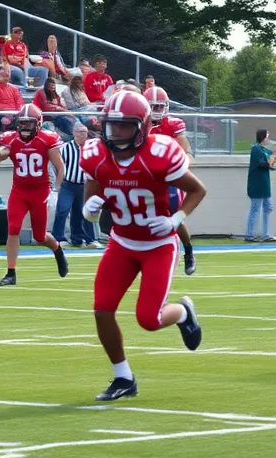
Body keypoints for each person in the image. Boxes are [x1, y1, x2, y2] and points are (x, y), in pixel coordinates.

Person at [79, 90, 207, 401]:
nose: (116, 132)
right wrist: (90, 210)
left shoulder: (161, 152)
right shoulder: (96, 153)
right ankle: (123, 377)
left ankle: (183, 313)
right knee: (102, 310)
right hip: (121, 243)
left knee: (148, 320)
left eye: (124, 125)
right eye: (112, 125)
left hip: (159, 244)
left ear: (143, 126)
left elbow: (197, 190)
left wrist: (175, 220)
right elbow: (89, 204)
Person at [0, 104, 69, 286]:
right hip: (19, 191)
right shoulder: (10, 138)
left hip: (40, 192)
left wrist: (56, 190)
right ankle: (11, 273)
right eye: (22, 123)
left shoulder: (47, 139)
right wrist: (1, 154)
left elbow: (60, 167)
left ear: (38, 124)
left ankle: (57, 249)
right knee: (13, 228)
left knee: (39, 237)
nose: (25, 128)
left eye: (29, 124)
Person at [145, 87, 196, 274]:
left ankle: (188, 250)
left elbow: (187, 152)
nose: (158, 110)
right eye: (154, 106)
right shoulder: (140, 124)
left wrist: (182, 166)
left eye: (160, 106)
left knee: (173, 215)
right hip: (145, 178)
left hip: (169, 178)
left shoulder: (173, 124)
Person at [51, 123, 97, 248]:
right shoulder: (65, 148)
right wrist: (58, 184)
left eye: (85, 132)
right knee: (62, 210)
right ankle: (58, 238)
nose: (83, 135)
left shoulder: (91, 148)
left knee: (84, 212)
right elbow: (57, 166)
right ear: (74, 133)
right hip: (68, 185)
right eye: (80, 132)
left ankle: (85, 239)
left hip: (84, 185)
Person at [246, 128, 276, 242]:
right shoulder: (256, 149)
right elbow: (263, 164)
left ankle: (265, 233)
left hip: (264, 184)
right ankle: (249, 234)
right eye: (267, 136)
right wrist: (272, 156)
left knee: (268, 207)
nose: (268, 138)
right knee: (255, 209)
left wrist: (274, 154)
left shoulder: (262, 149)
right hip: (257, 184)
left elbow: (270, 163)